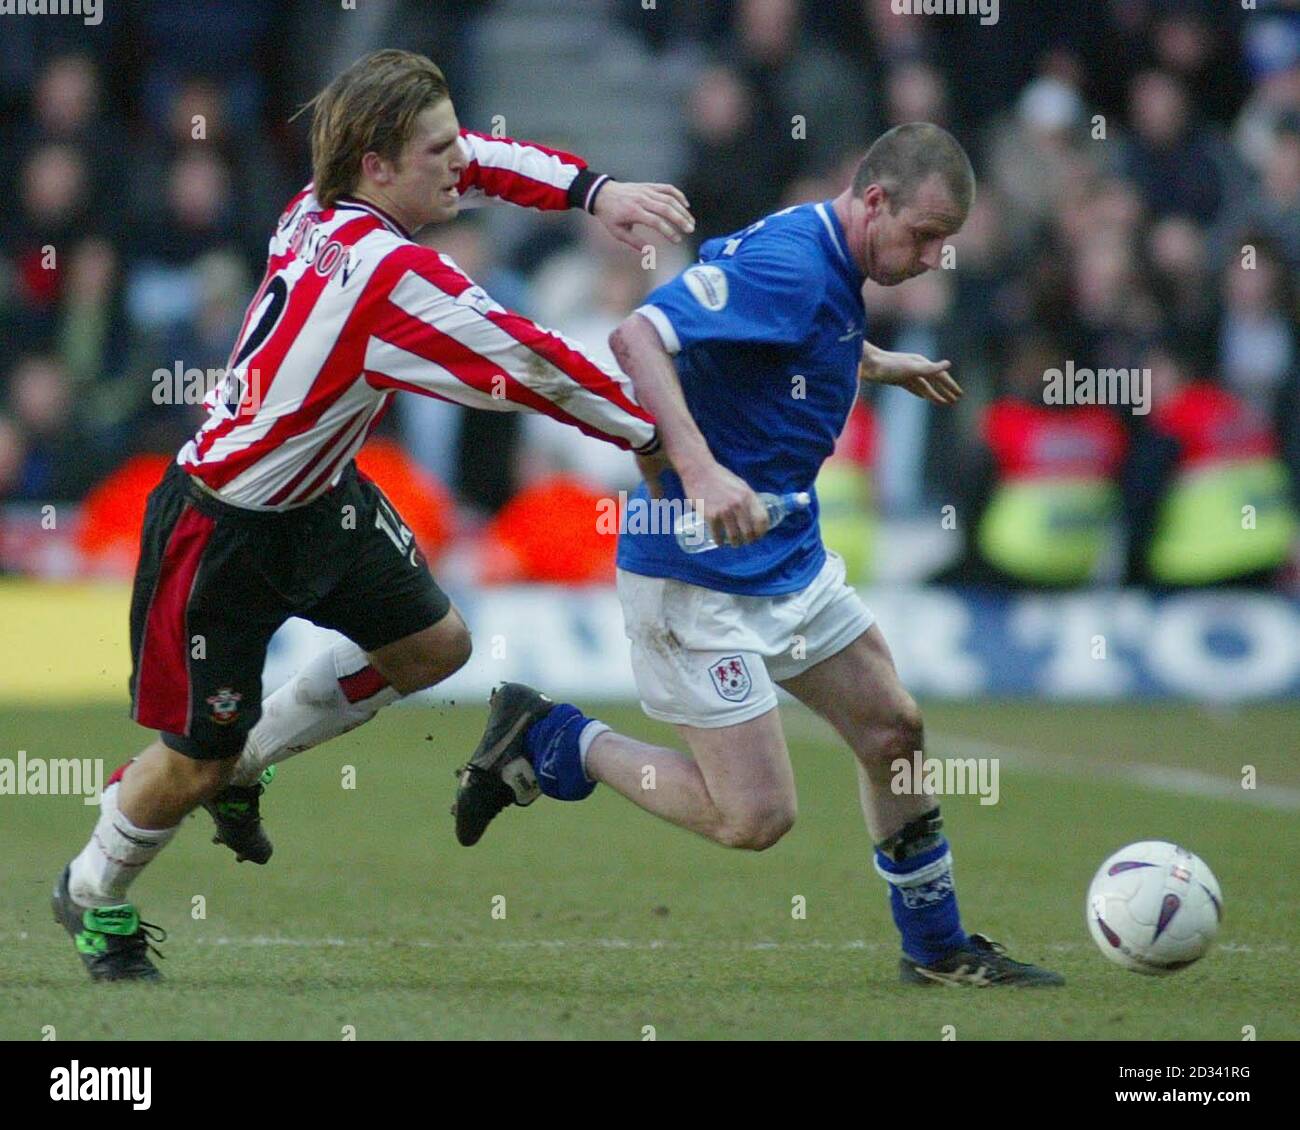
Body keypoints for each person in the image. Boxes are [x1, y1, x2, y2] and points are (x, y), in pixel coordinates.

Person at [52, 49, 692, 982]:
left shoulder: (320, 204)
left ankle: (246, 761)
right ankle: (91, 892)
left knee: (433, 646)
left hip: (319, 501)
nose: (458, 166)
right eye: (436, 152)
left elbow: (482, 159)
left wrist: (594, 192)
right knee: (187, 764)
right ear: (379, 166)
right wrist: (651, 433)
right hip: (218, 530)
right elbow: (532, 359)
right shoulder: (386, 276)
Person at [454, 122, 1064, 988]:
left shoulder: (827, 261)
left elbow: (772, 340)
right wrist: (699, 472)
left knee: (895, 728)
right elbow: (638, 340)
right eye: (925, 234)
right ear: (875, 199)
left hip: (785, 554)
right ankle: (557, 738)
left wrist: (872, 362)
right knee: (755, 818)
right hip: (693, 571)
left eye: (946, 242)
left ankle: (938, 949)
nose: (933, 257)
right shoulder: (793, 259)